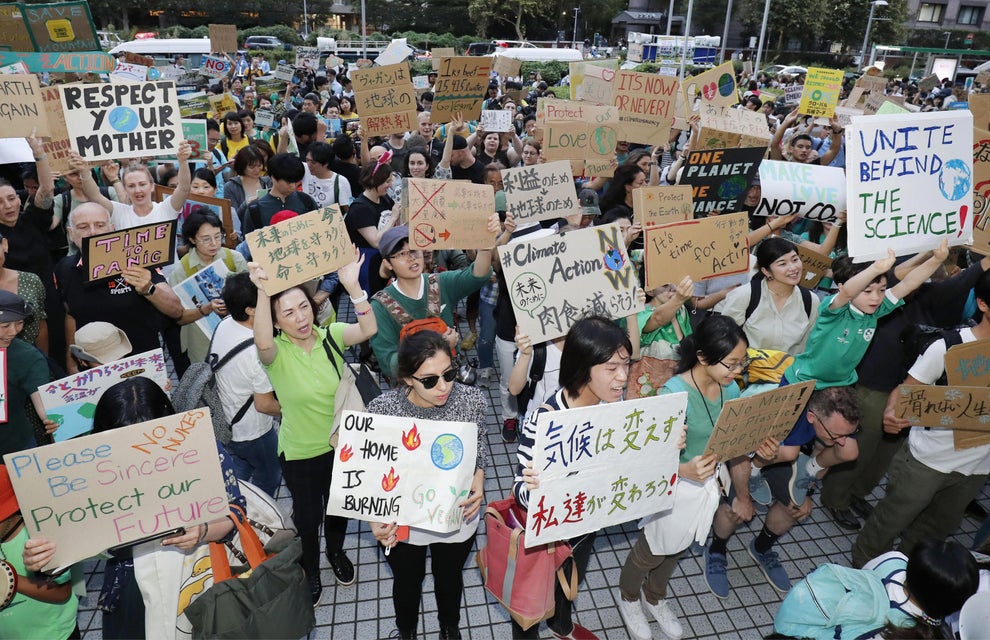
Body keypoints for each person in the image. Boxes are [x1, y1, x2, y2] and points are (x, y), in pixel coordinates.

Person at [21, 377, 245, 639]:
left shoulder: (202, 449)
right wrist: (43, 559)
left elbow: (236, 510)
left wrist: (203, 529)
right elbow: (68, 542)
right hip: (131, 584)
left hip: (199, 573)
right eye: (123, 439)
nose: (139, 450)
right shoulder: (85, 472)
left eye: (149, 436)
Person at [618, 316, 776, 640]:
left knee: (679, 547)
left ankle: (655, 596)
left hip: (706, 489)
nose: (737, 372)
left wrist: (757, 450)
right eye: (731, 364)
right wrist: (683, 470)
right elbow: (648, 457)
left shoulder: (729, 386)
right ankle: (629, 597)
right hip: (674, 487)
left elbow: (731, 443)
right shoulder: (673, 393)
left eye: (740, 363)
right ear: (703, 358)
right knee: (651, 549)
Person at [249, 247, 377, 604]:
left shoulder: (331, 335)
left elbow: (369, 327)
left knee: (339, 508)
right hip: (300, 452)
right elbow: (260, 340)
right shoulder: (275, 354)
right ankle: (311, 570)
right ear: (277, 322)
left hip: (342, 444)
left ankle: (336, 553)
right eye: (288, 313)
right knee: (307, 518)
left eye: (304, 307)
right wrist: (262, 291)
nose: (300, 317)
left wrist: (354, 287)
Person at [851, 269, 990, 567]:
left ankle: (906, 573)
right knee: (890, 521)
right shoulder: (949, 347)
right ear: (982, 304)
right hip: (928, 459)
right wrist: (892, 413)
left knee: (935, 530)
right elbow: (908, 391)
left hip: (978, 467)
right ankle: (864, 571)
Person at [513, 316, 636, 640]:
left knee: (570, 578)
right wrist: (536, 490)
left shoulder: (614, 405)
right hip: (546, 534)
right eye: (612, 368)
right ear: (583, 367)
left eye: (626, 365)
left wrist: (661, 448)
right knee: (530, 598)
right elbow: (518, 488)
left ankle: (561, 625)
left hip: (585, 523)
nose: (622, 377)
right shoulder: (547, 419)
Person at [368, 331, 488, 640]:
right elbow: (369, 469)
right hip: (404, 520)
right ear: (408, 378)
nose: (445, 386)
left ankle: (449, 627)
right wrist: (373, 517)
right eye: (430, 380)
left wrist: (479, 478)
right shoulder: (382, 411)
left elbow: (478, 446)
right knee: (407, 581)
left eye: (449, 373)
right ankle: (406, 631)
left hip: (454, 513)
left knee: (449, 578)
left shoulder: (471, 399)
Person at [369, 217, 509, 383]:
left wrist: (486, 245)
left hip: (449, 381)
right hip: (411, 390)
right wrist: (440, 345)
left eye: (414, 250)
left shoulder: (440, 283)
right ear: (388, 263)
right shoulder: (380, 305)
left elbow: (477, 276)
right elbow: (389, 363)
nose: (411, 258)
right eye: (401, 254)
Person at [57, 203, 183, 373]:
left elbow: (176, 310)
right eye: (83, 227)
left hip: (141, 365)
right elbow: (71, 314)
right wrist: (71, 363)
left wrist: (149, 289)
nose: (93, 232)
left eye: (100, 225)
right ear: (71, 234)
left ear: (112, 229)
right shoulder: (64, 269)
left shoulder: (138, 262)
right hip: (93, 371)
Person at [211, 272, 282, 497]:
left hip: (228, 422)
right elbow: (264, 405)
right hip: (255, 431)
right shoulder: (256, 351)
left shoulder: (225, 324)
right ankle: (259, 513)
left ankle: (235, 503)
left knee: (240, 468)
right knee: (269, 476)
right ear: (251, 310)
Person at [0, 465, 79, 640]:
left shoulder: (38, 538)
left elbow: (62, 593)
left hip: (54, 634)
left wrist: (8, 578)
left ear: (10, 513)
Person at [167, 208, 247, 362]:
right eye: (205, 239)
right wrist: (207, 308)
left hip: (238, 335)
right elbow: (179, 317)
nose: (214, 243)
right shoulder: (181, 270)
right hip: (202, 343)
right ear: (191, 239)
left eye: (218, 236)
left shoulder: (234, 259)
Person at [721, 238, 818, 354]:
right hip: (748, 369)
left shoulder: (810, 300)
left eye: (795, 260)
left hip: (788, 369)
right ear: (766, 271)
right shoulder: (744, 295)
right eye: (782, 264)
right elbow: (724, 338)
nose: (793, 268)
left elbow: (809, 344)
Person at [0, 290, 55, 457]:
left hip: (14, 449)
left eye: (19, 323)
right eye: (4, 326)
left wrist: (51, 419)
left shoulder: (28, 357)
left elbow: (43, 402)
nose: (13, 331)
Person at [344, 154, 399, 293]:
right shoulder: (360, 208)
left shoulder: (384, 198)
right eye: (387, 181)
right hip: (368, 263)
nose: (390, 185)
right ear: (375, 181)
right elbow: (375, 241)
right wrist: (393, 218)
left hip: (384, 259)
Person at [240, 153, 318, 234]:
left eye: (297, 182)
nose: (293, 186)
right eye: (288, 182)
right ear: (273, 178)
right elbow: (249, 242)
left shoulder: (306, 202)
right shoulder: (255, 210)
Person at [303, 141, 352, 210]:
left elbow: (348, 210)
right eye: (307, 160)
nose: (309, 165)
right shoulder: (305, 169)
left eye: (313, 162)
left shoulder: (340, 181)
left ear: (326, 163)